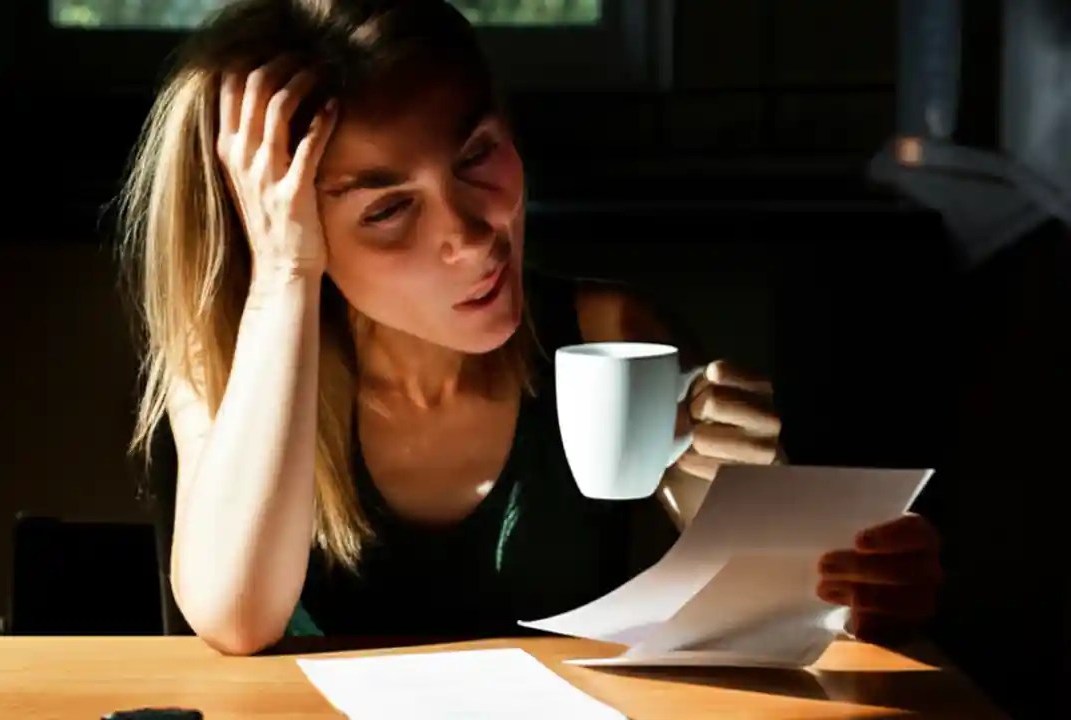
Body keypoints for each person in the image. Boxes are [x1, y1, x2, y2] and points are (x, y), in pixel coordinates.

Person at [118, 0, 942, 655]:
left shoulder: (606, 335)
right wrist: (284, 276)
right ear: (283, 220)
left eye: (476, 154)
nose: (475, 235)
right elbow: (234, 621)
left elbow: (788, 598)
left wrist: (848, 578)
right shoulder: (228, 357)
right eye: (388, 208)